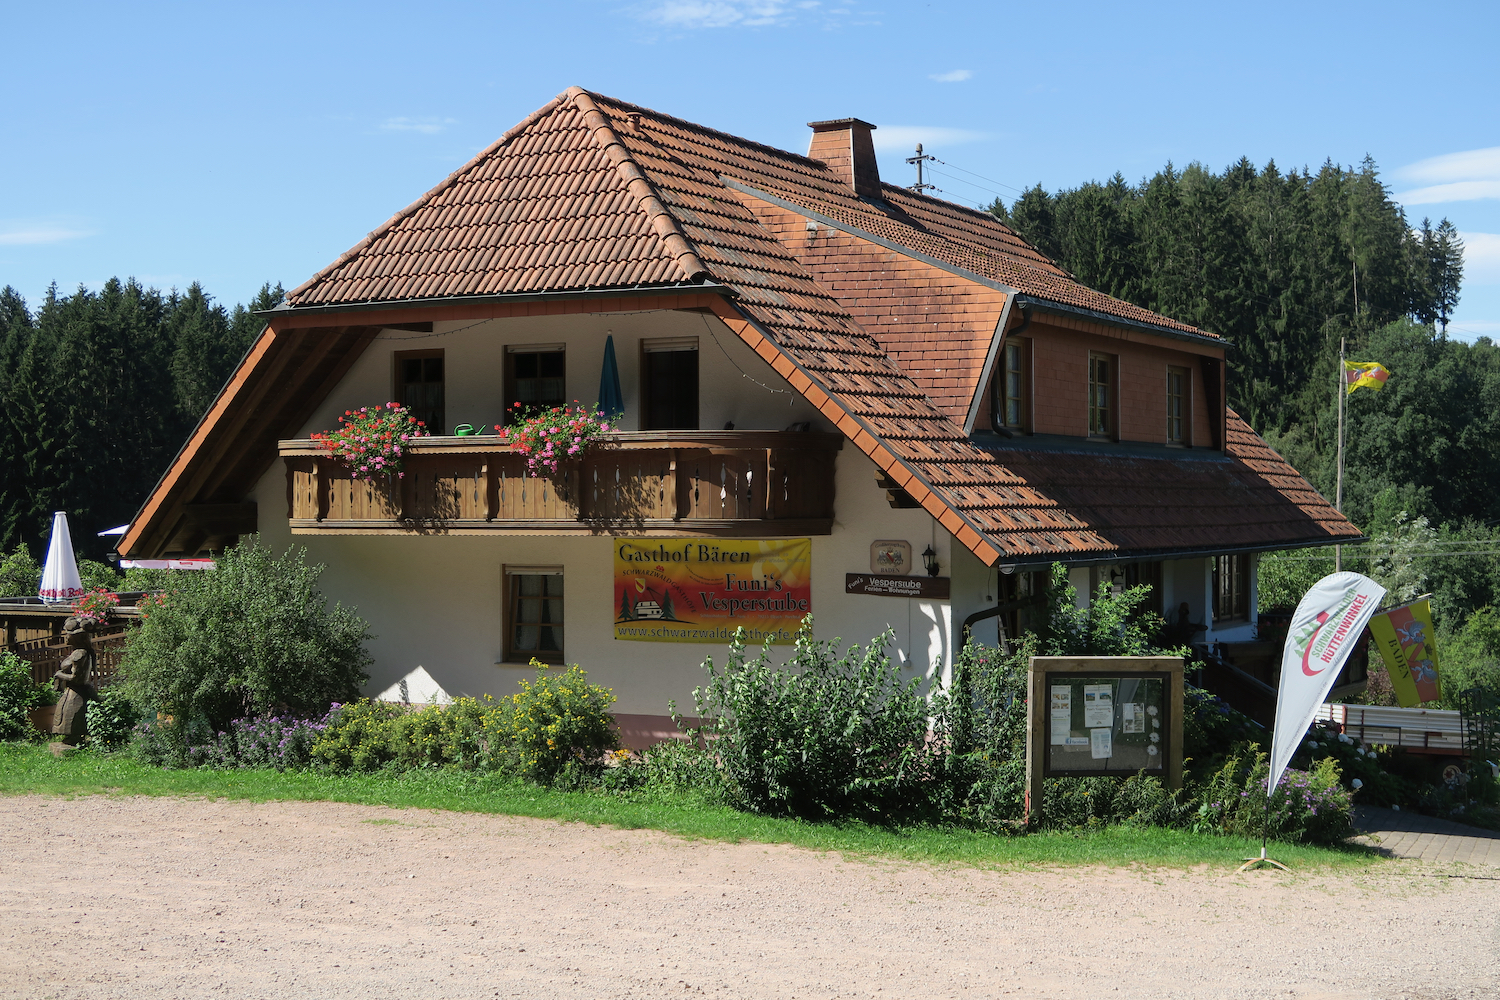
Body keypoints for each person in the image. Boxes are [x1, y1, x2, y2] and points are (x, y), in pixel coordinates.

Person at [51, 616, 96, 745]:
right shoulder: (77, 652)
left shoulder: (80, 655)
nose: (66, 637)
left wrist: (59, 675)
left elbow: (77, 679)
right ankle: (70, 740)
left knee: (72, 719)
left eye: (68, 635)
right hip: (71, 692)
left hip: (76, 694)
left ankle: (74, 740)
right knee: (65, 717)